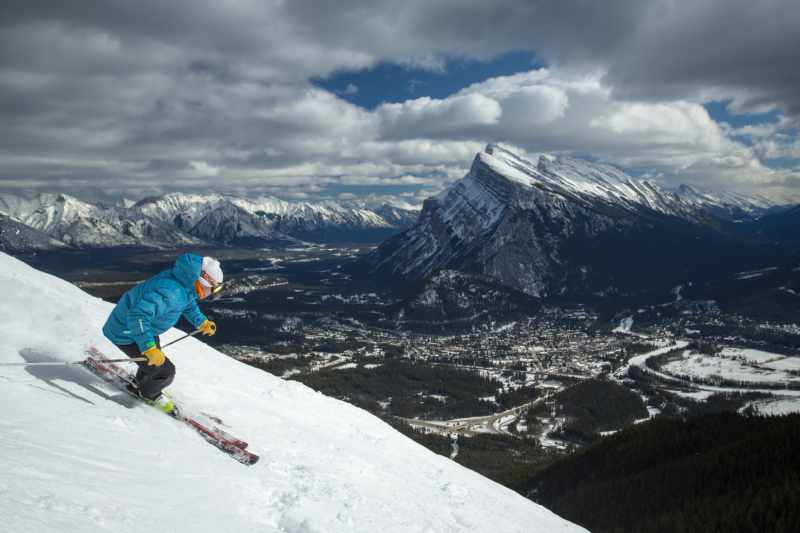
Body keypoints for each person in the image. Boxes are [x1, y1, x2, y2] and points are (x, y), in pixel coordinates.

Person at [102, 253, 223, 413]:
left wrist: (201, 322)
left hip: (142, 330)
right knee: (165, 371)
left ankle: (143, 382)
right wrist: (148, 347)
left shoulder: (184, 285)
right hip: (126, 332)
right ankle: (148, 394)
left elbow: (187, 304)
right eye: (213, 288)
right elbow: (138, 315)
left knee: (154, 361)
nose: (212, 293)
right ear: (202, 281)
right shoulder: (172, 292)